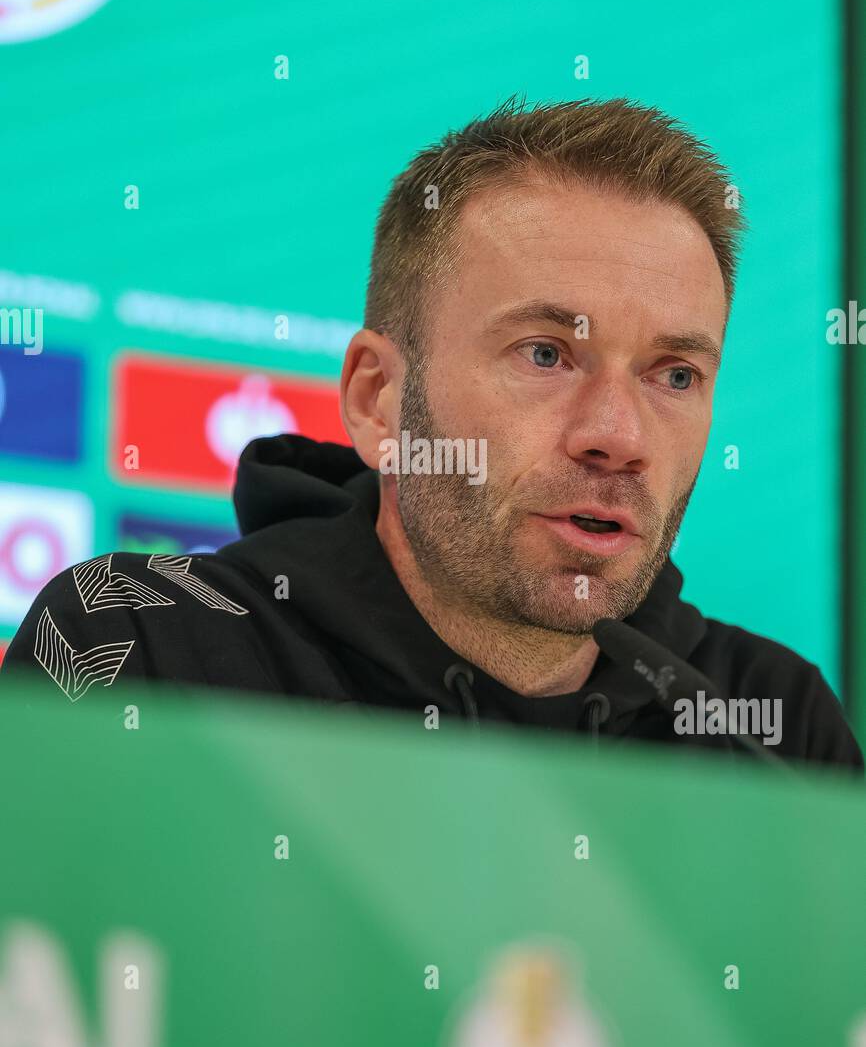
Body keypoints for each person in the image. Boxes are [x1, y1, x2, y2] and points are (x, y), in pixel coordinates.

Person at [2, 97, 861, 771]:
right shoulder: (150, 651)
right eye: (546, 354)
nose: (618, 436)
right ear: (379, 401)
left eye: (674, 374)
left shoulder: (773, 731)